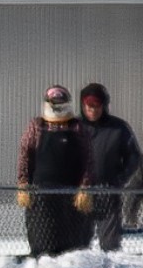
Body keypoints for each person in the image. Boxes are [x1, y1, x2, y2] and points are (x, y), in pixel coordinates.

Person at [17, 85, 93, 258]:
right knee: (43, 244)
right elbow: (25, 156)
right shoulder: (36, 126)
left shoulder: (77, 127)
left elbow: (88, 160)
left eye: (61, 101)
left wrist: (85, 187)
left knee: (72, 247)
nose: (57, 106)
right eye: (54, 102)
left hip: (72, 196)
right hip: (41, 197)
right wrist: (23, 183)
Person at [78, 83, 140, 252]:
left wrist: (120, 180)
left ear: (104, 106)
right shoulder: (74, 127)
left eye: (97, 106)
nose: (92, 110)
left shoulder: (118, 128)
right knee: (78, 247)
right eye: (88, 106)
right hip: (79, 194)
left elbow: (133, 157)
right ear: (82, 105)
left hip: (108, 191)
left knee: (110, 245)